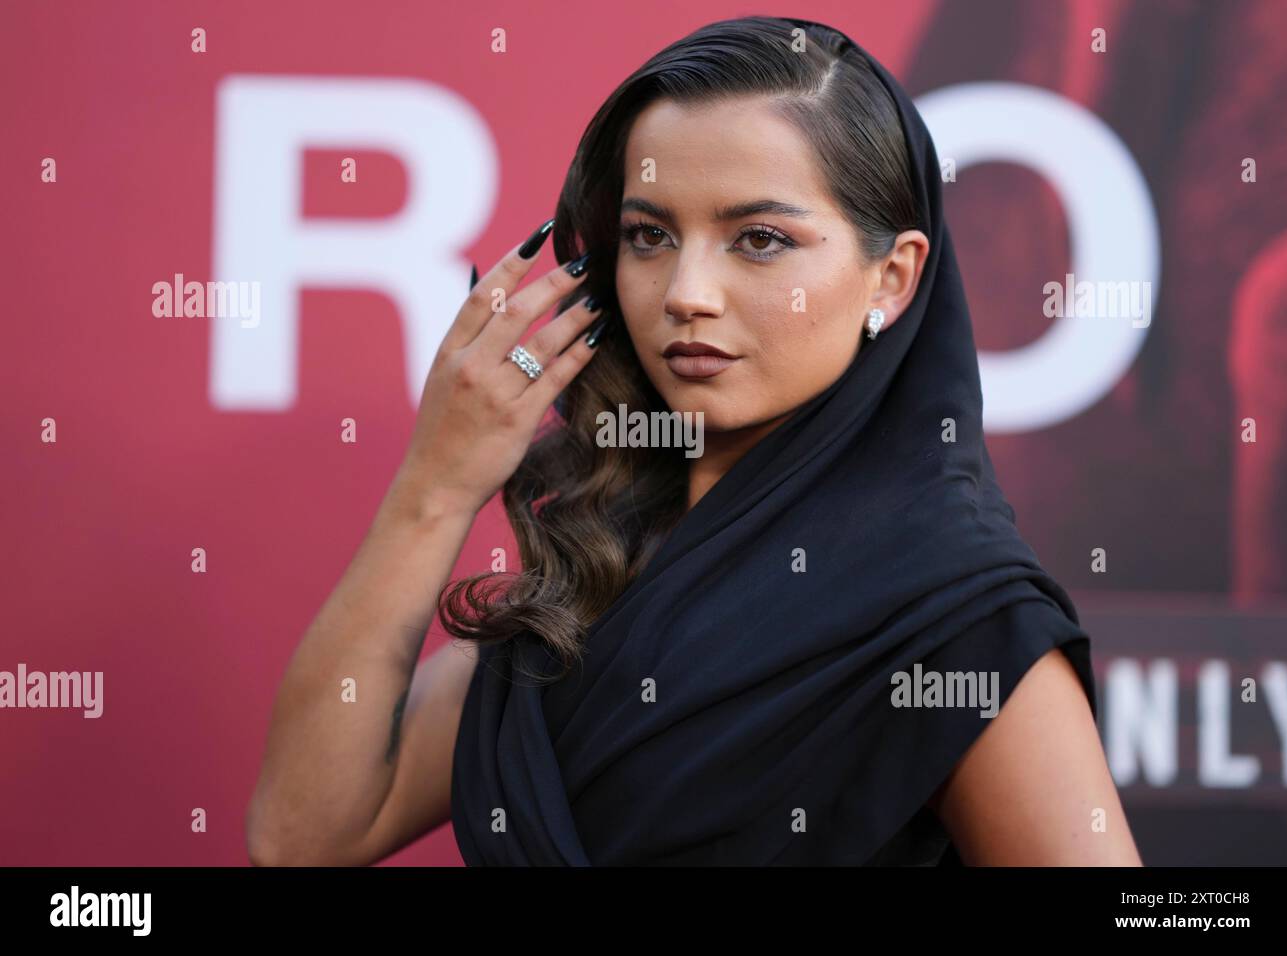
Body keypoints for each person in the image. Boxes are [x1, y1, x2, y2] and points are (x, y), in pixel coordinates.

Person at [246, 15, 1142, 866]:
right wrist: (434, 487)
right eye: (649, 235)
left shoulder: (957, 623)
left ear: (893, 277)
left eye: (758, 239)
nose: (686, 292)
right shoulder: (597, 565)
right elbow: (305, 832)